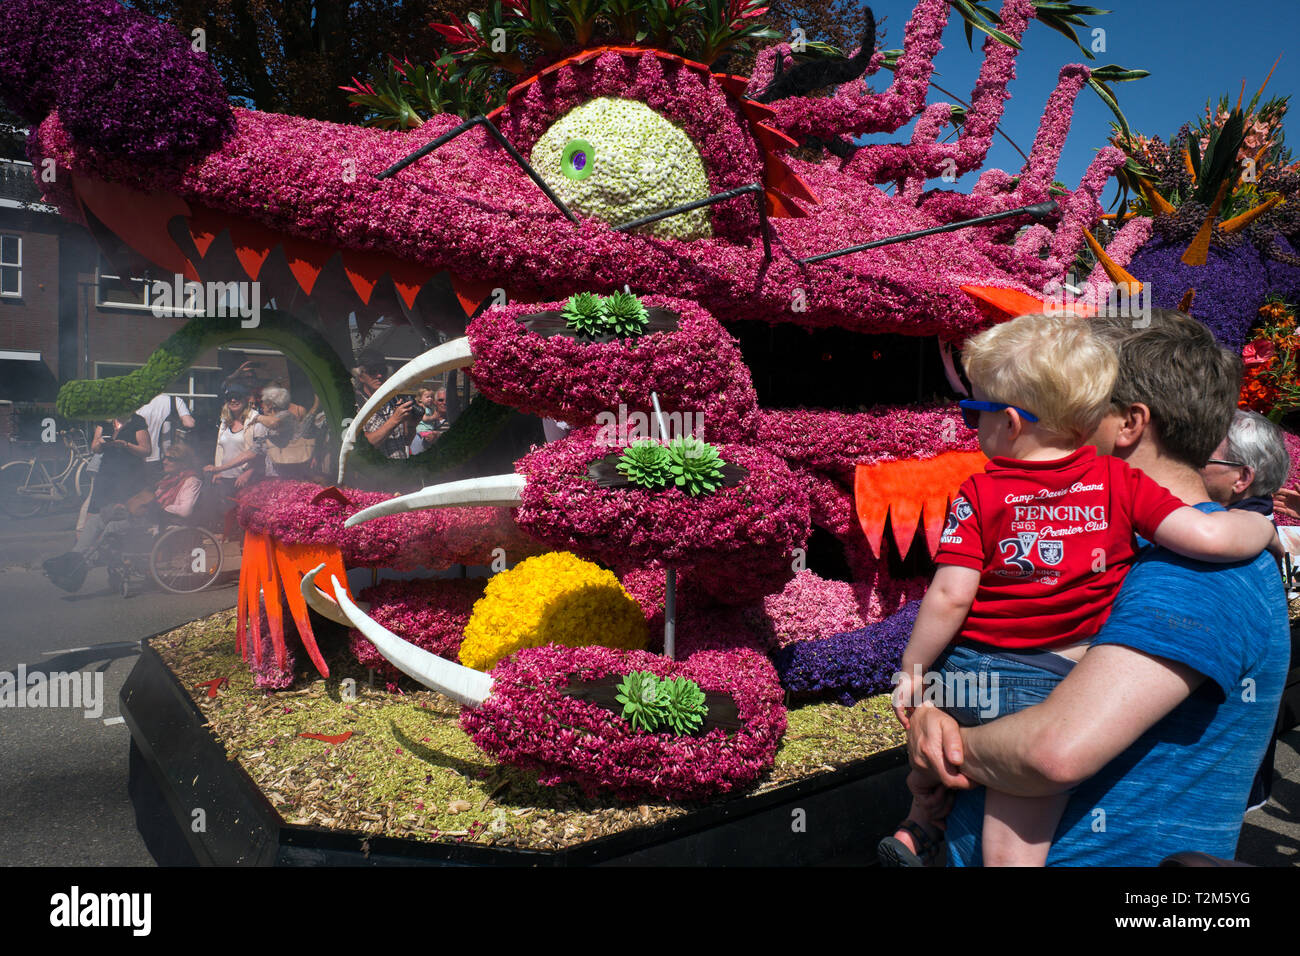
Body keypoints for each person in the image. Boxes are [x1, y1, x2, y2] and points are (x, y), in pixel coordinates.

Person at [880, 314, 1276, 867]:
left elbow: (1050, 756)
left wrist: (935, 736)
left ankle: (918, 826)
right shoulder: (1139, 519)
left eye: (1086, 405)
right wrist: (1262, 524)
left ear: (1128, 423)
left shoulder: (1188, 582)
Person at [1198, 409, 1292, 814]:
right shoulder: (1251, 529)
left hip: (1214, 755)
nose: (1189, 461)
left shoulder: (1230, 544)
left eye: (1202, 456)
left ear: (1242, 478)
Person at [354, 348, 417, 459]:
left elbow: (406, 441)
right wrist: (395, 420)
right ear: (360, 376)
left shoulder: (392, 400)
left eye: (382, 370)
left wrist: (412, 424)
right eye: (373, 371)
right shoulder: (354, 404)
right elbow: (362, 447)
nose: (379, 376)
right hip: (376, 475)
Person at [85, 412, 151, 518]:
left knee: (122, 513)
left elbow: (146, 450)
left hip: (129, 474)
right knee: (94, 512)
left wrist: (126, 445)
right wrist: (100, 443)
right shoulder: (104, 420)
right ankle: (89, 533)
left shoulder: (137, 421)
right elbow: (95, 449)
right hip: (106, 472)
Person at [205, 385, 260, 498]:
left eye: (237, 397)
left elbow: (262, 452)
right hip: (225, 479)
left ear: (245, 399)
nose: (233, 400)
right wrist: (218, 471)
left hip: (245, 479)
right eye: (230, 397)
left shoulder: (256, 421)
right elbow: (220, 449)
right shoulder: (225, 422)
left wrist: (249, 473)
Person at [137, 392, 195, 481]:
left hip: (138, 456)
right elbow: (189, 424)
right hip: (165, 458)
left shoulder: (136, 401)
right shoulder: (175, 401)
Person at [409, 387, 448, 455]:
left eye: (431, 397)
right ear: (435, 402)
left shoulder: (454, 419)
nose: (444, 403)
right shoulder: (423, 409)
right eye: (441, 400)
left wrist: (438, 436)